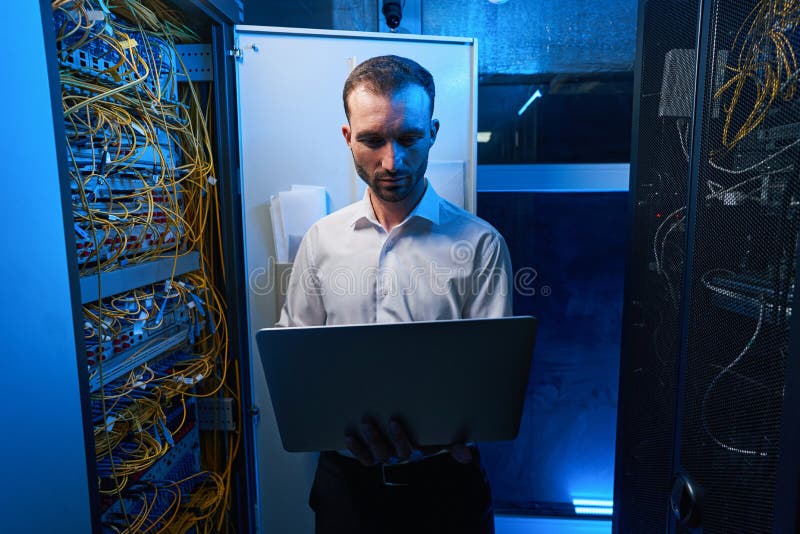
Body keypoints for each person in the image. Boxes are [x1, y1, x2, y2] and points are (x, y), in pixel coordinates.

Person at [277, 55, 512, 534]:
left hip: (446, 489)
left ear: (433, 132)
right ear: (348, 138)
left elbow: (492, 382)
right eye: (371, 140)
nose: (391, 161)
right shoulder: (321, 241)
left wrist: (447, 434)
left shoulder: (481, 244)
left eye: (408, 139)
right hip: (346, 488)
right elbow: (294, 363)